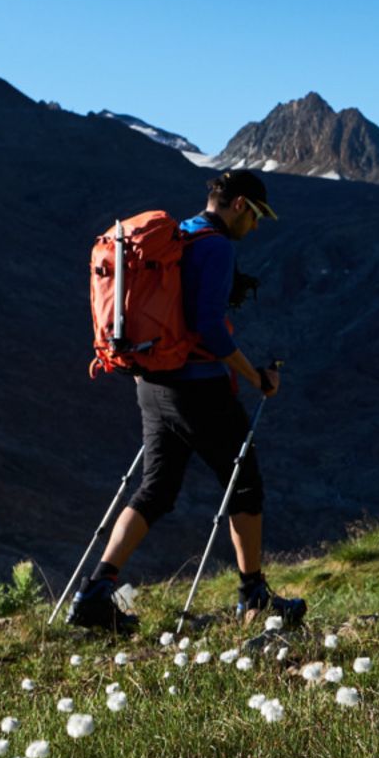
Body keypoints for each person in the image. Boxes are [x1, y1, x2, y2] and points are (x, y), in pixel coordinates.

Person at [69, 169, 304, 635]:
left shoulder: (183, 236)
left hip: (150, 381)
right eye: (256, 216)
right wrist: (257, 376)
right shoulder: (216, 247)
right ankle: (252, 595)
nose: (255, 227)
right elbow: (209, 330)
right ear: (239, 205)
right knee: (245, 483)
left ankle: (95, 589)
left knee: (155, 488)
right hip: (198, 386)